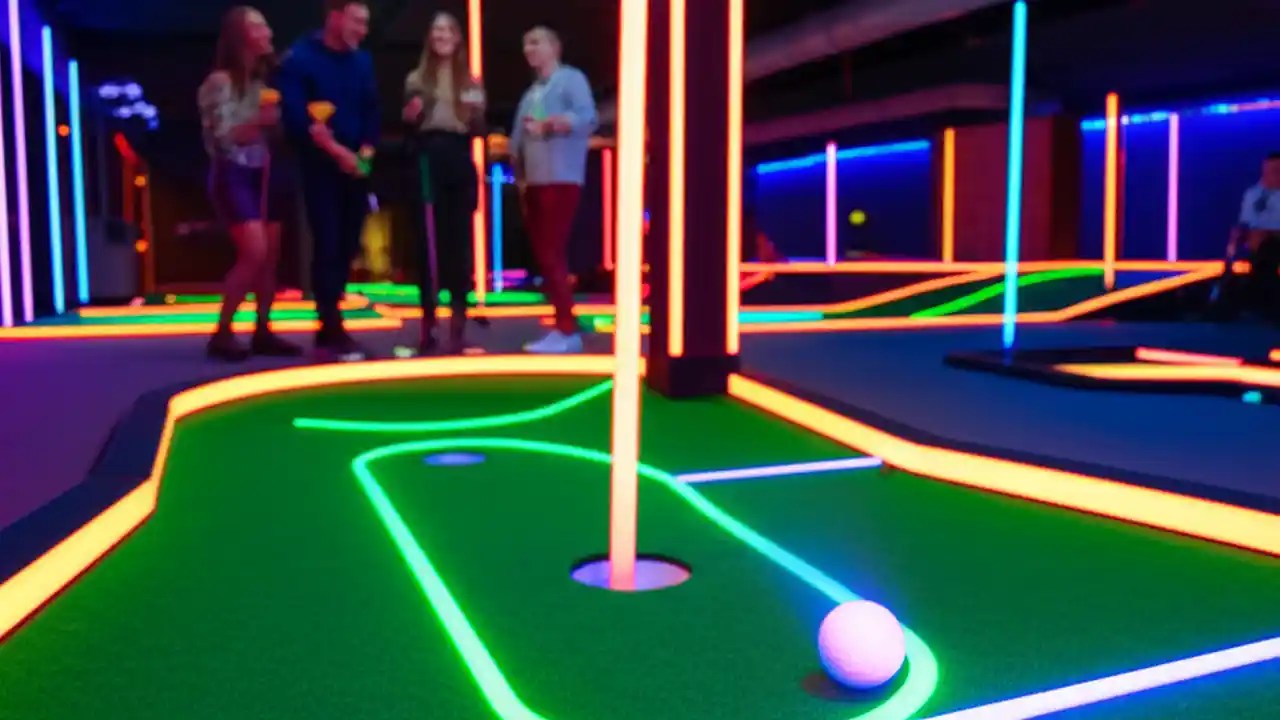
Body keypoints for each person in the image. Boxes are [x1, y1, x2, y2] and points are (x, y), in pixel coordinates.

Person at [275, 0, 380, 358]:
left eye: (366, 23)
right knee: (329, 242)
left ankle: (331, 319)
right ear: (335, 17)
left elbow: (372, 109)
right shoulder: (300, 59)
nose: (363, 30)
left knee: (350, 244)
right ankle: (330, 324)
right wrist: (338, 153)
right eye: (357, 22)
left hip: (356, 167)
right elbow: (295, 120)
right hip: (319, 167)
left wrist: (364, 155)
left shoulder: (362, 60)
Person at [198, 6, 302, 361]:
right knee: (254, 252)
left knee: (270, 258)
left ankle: (262, 329)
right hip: (233, 172)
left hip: (267, 171)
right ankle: (222, 331)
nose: (268, 33)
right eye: (259, 27)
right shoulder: (219, 83)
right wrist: (260, 122)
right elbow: (222, 138)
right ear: (240, 36)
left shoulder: (265, 81)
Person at [509, 26, 598, 354]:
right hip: (533, 183)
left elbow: (588, 118)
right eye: (525, 44)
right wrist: (518, 176)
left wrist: (550, 124)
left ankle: (567, 329)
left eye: (535, 42)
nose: (528, 49)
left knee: (551, 253)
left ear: (555, 47)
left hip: (561, 178)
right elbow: (517, 141)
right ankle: (564, 322)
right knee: (546, 256)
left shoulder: (571, 79)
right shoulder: (530, 93)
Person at [402, 12, 487, 354]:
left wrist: (476, 114)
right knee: (428, 245)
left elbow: (479, 129)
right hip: (428, 155)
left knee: (459, 246)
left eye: (448, 29)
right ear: (430, 38)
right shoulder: (415, 79)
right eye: (436, 29)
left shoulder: (471, 81)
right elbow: (410, 123)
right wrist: (411, 115)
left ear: (457, 37)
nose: (442, 35)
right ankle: (428, 327)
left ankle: (458, 327)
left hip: (459, 155)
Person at [1215, 153, 1280, 321]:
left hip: (1271, 243)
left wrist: (1267, 234)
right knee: (1256, 250)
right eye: (1267, 171)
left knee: (1268, 249)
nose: (1270, 175)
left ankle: (1265, 308)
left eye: (1275, 171)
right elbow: (1246, 222)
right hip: (1256, 244)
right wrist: (1240, 234)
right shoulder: (1253, 194)